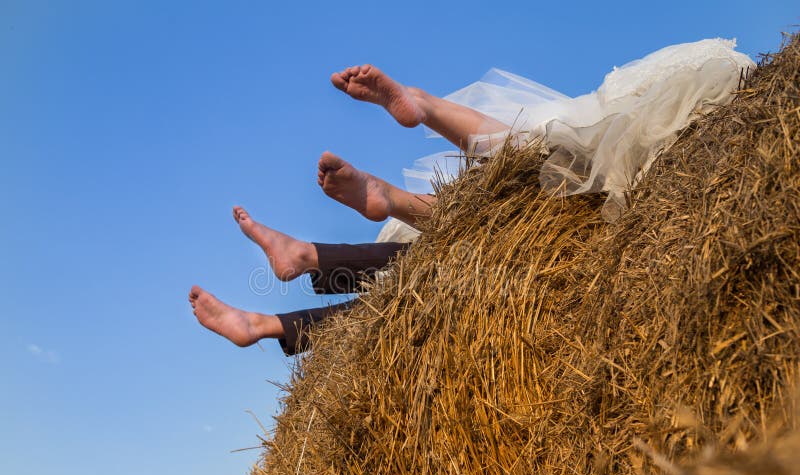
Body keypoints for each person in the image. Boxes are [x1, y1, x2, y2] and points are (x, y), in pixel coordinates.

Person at [190, 38, 755, 354]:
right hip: (569, 179)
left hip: (542, 198)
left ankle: (280, 308)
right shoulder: (704, 89)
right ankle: (383, 182)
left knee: (444, 264)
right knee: (543, 172)